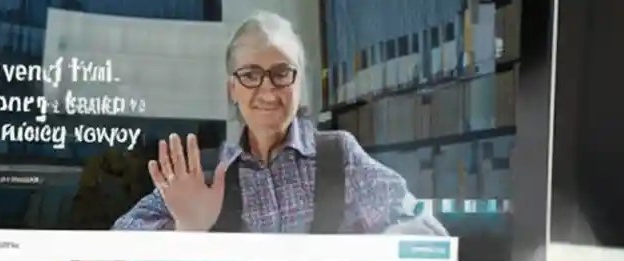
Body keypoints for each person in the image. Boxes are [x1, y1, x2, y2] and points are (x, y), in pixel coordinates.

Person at [112, 11, 447, 237]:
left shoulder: (338, 156)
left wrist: (369, 251)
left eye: (282, 72)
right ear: (232, 88)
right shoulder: (209, 172)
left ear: (299, 84)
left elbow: (426, 228)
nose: (268, 89)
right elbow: (117, 244)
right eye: (251, 74)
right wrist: (185, 229)